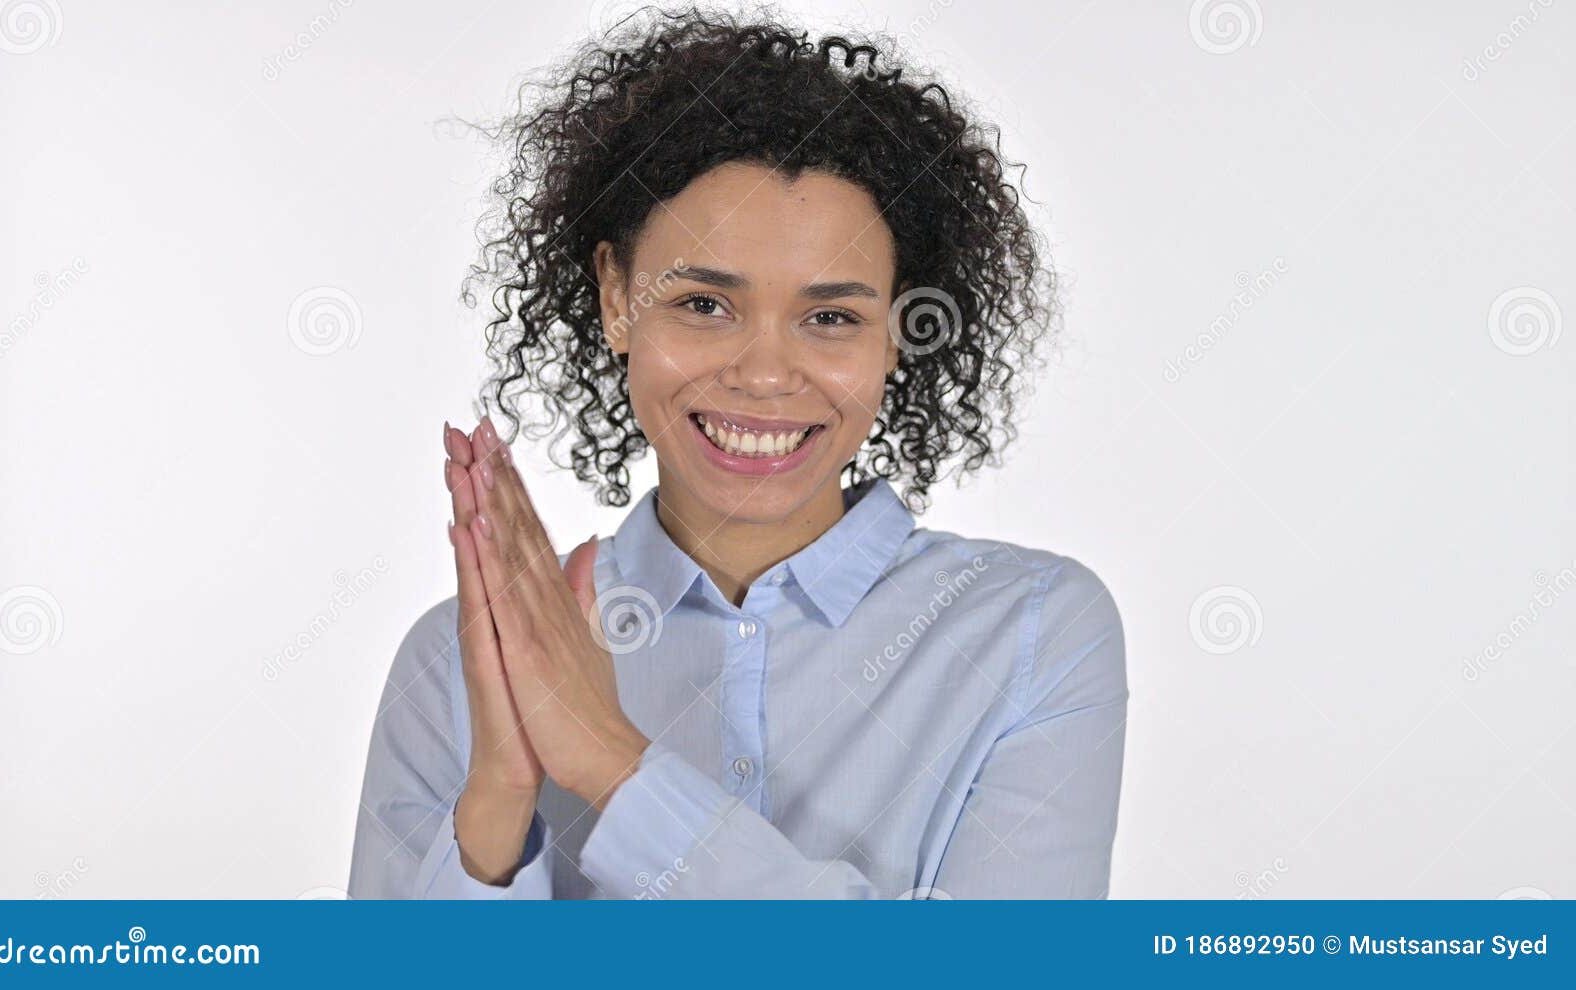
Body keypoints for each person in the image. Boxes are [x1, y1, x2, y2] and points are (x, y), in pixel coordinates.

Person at [349, 7, 1126, 899]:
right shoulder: (459, 661)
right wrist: (495, 810)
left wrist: (609, 762)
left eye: (830, 316)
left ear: (898, 331)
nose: (763, 375)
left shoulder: (1031, 630)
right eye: (703, 305)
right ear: (617, 300)